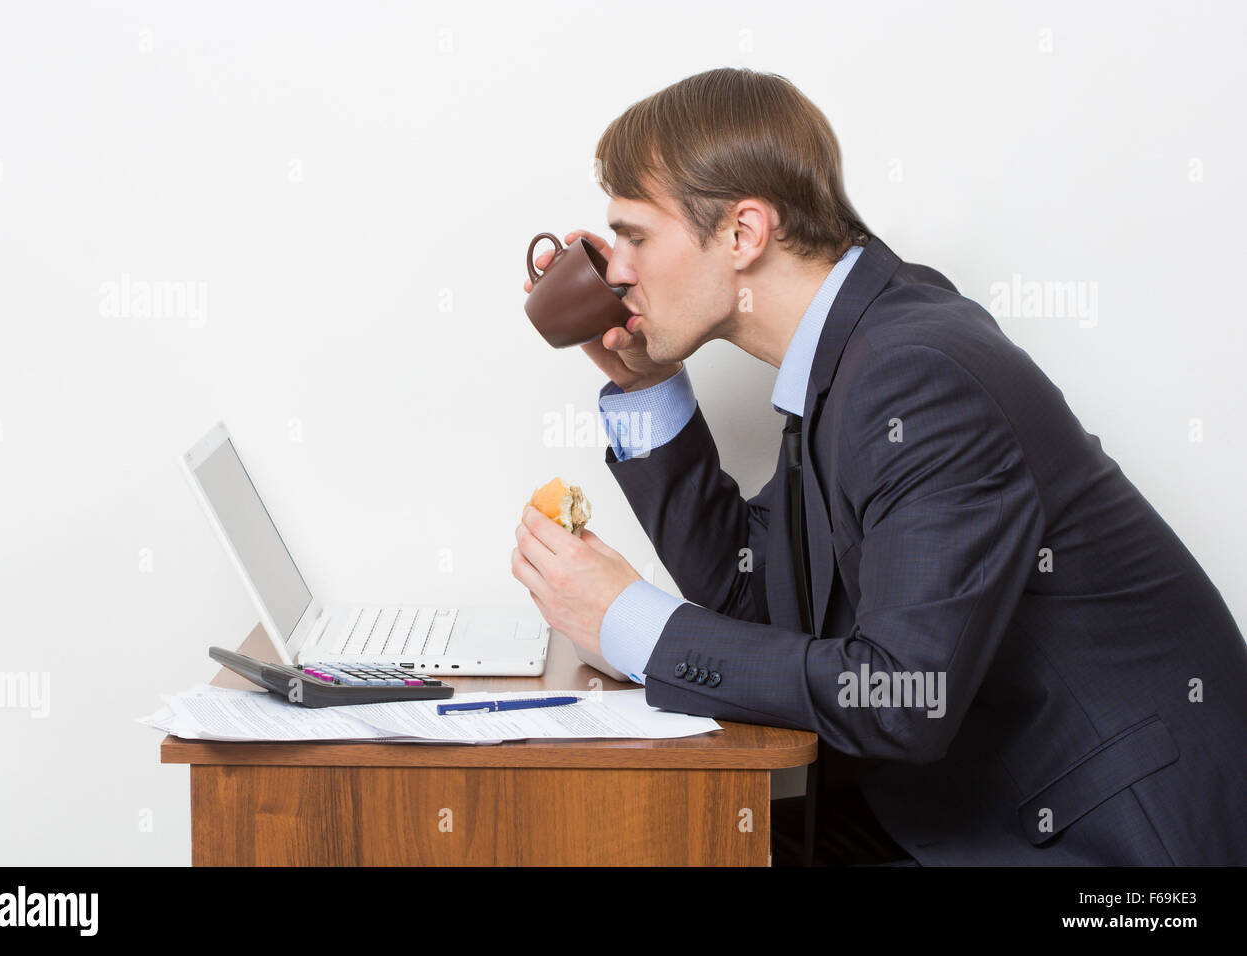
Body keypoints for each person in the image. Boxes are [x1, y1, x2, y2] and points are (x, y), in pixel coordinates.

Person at [512, 67, 1247, 866]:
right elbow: (752, 594)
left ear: (743, 233)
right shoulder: (859, 352)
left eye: (635, 236)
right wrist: (645, 387)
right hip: (957, 808)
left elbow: (903, 695)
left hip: (1114, 853)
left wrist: (630, 624)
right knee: (646, 843)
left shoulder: (916, 374)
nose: (614, 269)